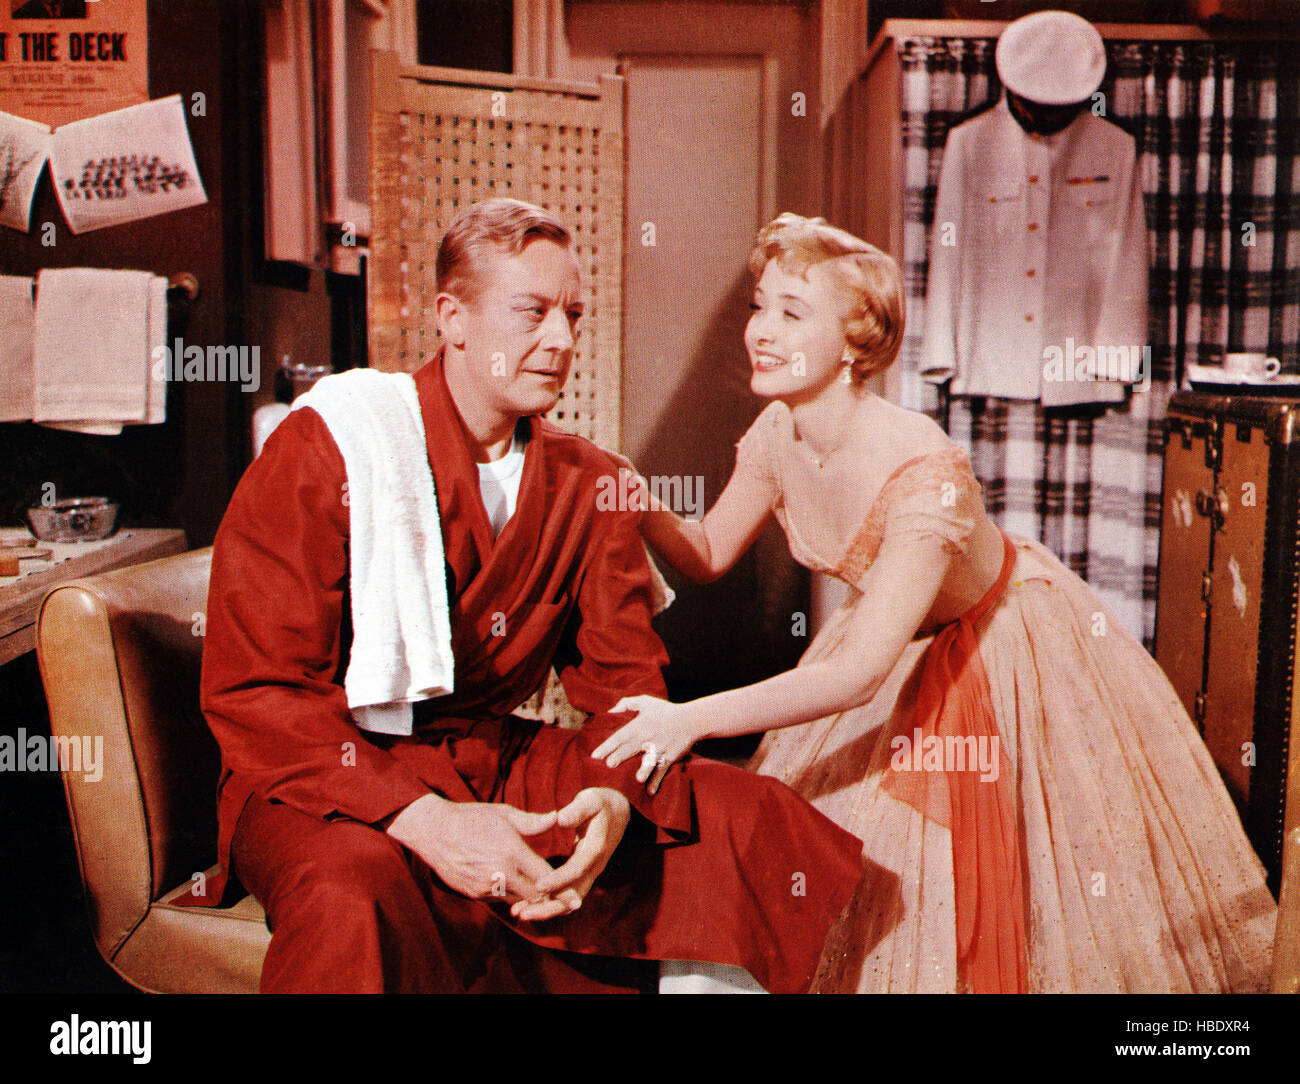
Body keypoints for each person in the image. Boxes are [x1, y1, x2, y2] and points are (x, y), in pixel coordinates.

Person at [193, 198, 866, 994]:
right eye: (532, 312)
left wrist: (611, 802)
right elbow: (258, 692)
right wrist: (425, 821)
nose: (561, 340)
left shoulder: (590, 481)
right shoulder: (331, 446)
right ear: (453, 318)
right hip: (322, 776)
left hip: (484, 759)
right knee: (357, 891)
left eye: (572, 316)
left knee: (735, 815)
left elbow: (625, 691)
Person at [595, 211, 1278, 993]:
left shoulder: (924, 471)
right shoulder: (779, 430)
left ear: (854, 343)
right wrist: (635, 495)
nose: (761, 331)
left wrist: (689, 718)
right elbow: (707, 553)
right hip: (890, 641)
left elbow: (856, 677)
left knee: (1001, 890)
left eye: (792, 312)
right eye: (760, 305)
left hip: (1002, 642)